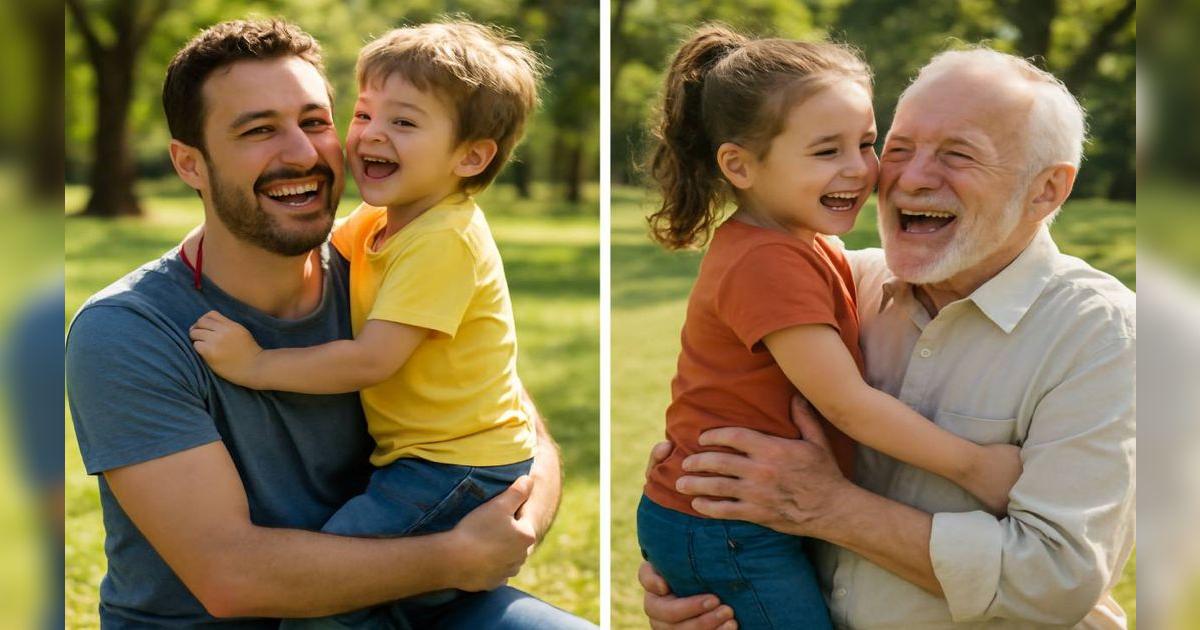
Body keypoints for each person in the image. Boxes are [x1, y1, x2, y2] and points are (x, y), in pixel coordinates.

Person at [67, 19, 588, 628]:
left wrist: (517, 523)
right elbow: (232, 579)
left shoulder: (376, 266)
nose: (301, 152)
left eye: (315, 123)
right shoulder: (130, 330)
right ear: (190, 164)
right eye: (259, 130)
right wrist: (456, 556)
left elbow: (509, 413)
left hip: (408, 590)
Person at [641, 46, 1135, 629]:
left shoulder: (1102, 333)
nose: (909, 177)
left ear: (1047, 189)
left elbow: (1054, 579)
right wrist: (704, 590)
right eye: (898, 150)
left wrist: (832, 508)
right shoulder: (849, 280)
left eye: (957, 155)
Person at [186, 21, 548, 626]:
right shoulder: (384, 222)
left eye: (404, 123)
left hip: (454, 470)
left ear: (471, 155)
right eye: (363, 115)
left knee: (328, 597)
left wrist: (257, 365)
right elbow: (294, 236)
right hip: (428, 462)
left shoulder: (445, 240)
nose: (372, 135)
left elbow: (372, 360)